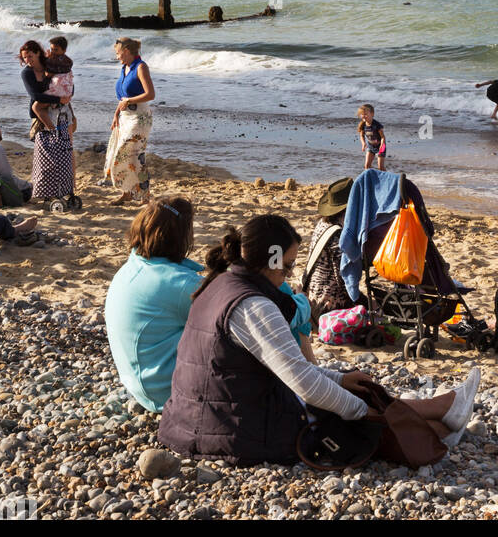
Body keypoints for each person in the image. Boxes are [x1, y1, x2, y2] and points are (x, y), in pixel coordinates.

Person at [158, 215, 481, 469]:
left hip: (195, 420)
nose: (288, 274)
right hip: (236, 433)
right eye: (288, 265)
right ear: (272, 260)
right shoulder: (254, 306)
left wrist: (341, 380)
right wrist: (363, 413)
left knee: (352, 393)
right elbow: (303, 382)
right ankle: (440, 415)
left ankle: (442, 410)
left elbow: (287, 365)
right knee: (364, 417)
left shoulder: (221, 283)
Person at [105, 196, 204, 411]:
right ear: (182, 238)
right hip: (168, 393)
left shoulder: (133, 267)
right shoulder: (180, 283)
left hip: (142, 384)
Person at [19, 40, 74, 202]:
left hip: (62, 111)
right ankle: (48, 192)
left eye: (30, 55)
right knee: (47, 154)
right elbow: (35, 96)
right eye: (25, 57)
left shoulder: (50, 64)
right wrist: (58, 98)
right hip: (43, 115)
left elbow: (69, 83)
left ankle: (69, 186)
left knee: (67, 149)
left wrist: (65, 98)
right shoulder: (26, 73)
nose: (28, 60)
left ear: (38, 53)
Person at [104, 38, 155, 205]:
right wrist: (116, 114)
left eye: (118, 53)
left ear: (126, 51)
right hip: (124, 118)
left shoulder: (141, 67)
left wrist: (129, 101)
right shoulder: (124, 68)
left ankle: (145, 196)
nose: (117, 57)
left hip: (140, 117)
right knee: (121, 155)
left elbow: (150, 94)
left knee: (132, 155)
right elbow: (122, 99)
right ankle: (127, 192)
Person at [302, 177, 357, 321]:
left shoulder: (322, 224)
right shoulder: (338, 236)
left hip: (311, 301)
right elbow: (343, 279)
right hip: (327, 309)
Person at [0, 119, 32, 203]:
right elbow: (7, 177)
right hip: (3, 188)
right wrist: (28, 185)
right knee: (27, 190)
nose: (0, 130)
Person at [357, 103, 387, 171]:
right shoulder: (363, 125)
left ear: (372, 114)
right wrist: (363, 144)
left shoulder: (377, 125)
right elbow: (361, 135)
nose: (364, 116)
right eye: (362, 114)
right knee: (367, 166)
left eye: (366, 114)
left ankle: (387, 177)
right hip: (370, 147)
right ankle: (371, 177)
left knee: (381, 168)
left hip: (381, 147)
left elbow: (383, 137)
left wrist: (382, 145)